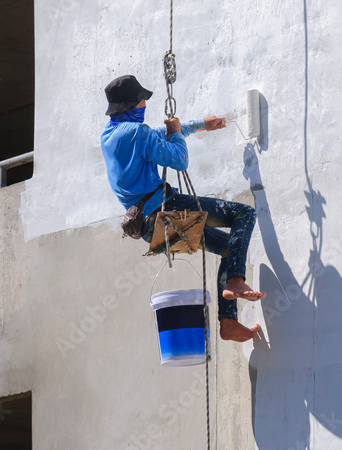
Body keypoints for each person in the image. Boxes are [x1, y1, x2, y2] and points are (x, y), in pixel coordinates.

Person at [100, 74, 265, 342]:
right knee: (243, 214)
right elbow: (179, 160)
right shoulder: (137, 133)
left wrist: (202, 125)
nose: (145, 106)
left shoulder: (110, 135)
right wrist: (177, 133)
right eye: (141, 101)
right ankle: (235, 280)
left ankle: (229, 322)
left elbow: (159, 134)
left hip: (150, 228)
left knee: (229, 247)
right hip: (166, 210)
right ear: (132, 105)